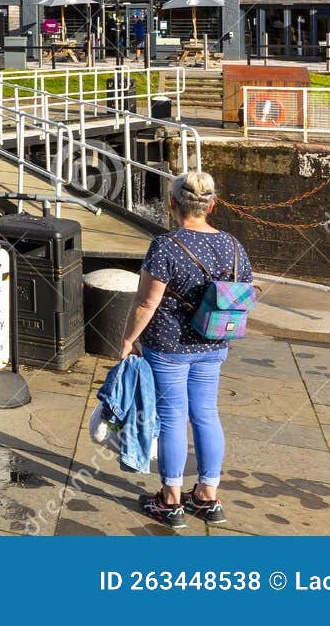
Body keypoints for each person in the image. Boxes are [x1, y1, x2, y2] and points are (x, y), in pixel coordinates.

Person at [117, 170, 253, 529]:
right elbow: (244, 293)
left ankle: (171, 500)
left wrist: (129, 339)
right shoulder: (234, 245)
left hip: (169, 346)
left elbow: (147, 303)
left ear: (173, 203)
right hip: (214, 342)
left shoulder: (166, 245)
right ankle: (208, 495)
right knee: (206, 414)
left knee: (173, 417)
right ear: (212, 205)